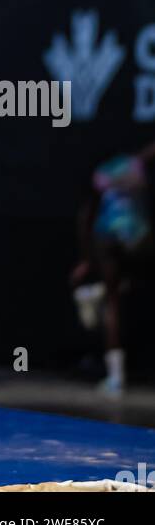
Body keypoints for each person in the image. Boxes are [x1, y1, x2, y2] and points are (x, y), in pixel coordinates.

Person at [70, 141, 155, 395]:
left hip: (109, 238)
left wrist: (86, 259)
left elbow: (86, 217)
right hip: (135, 237)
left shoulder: (104, 173)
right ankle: (115, 285)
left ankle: (116, 378)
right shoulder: (134, 164)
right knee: (116, 296)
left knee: (113, 302)